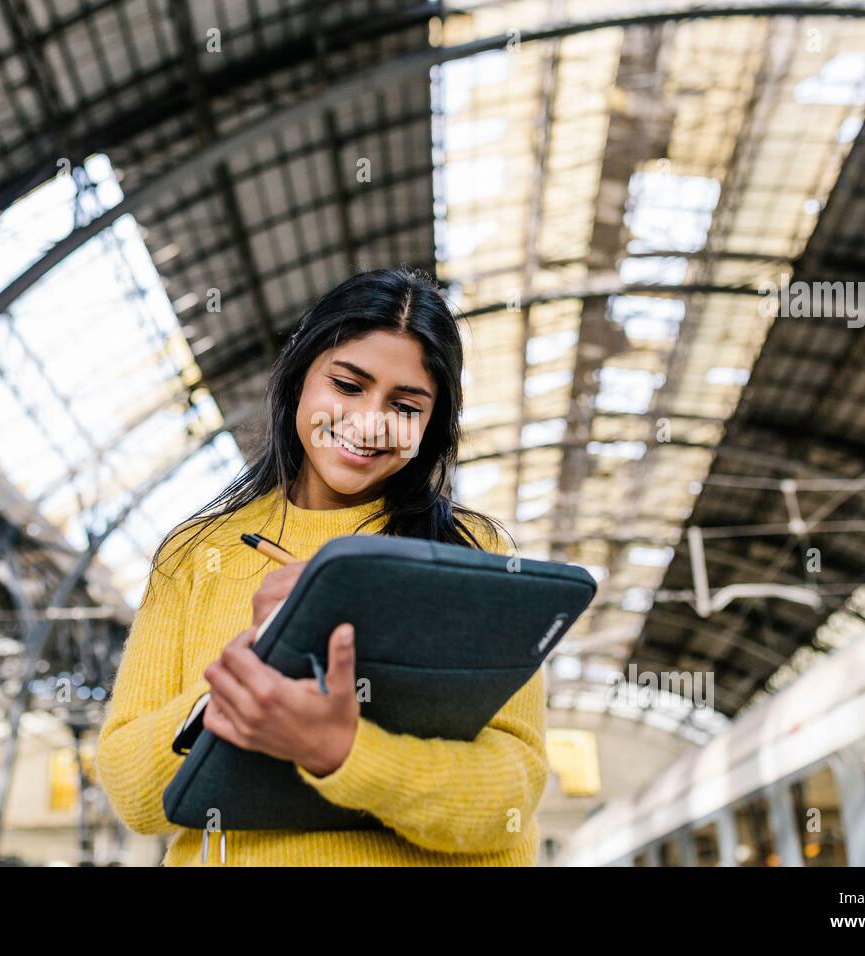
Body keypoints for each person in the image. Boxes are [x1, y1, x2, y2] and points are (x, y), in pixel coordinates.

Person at [95, 265, 548, 865]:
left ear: (431, 426)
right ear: (300, 376)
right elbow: (133, 792)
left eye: (405, 406)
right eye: (348, 385)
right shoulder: (197, 557)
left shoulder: (475, 554)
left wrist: (344, 751)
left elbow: (508, 797)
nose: (369, 422)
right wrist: (256, 663)